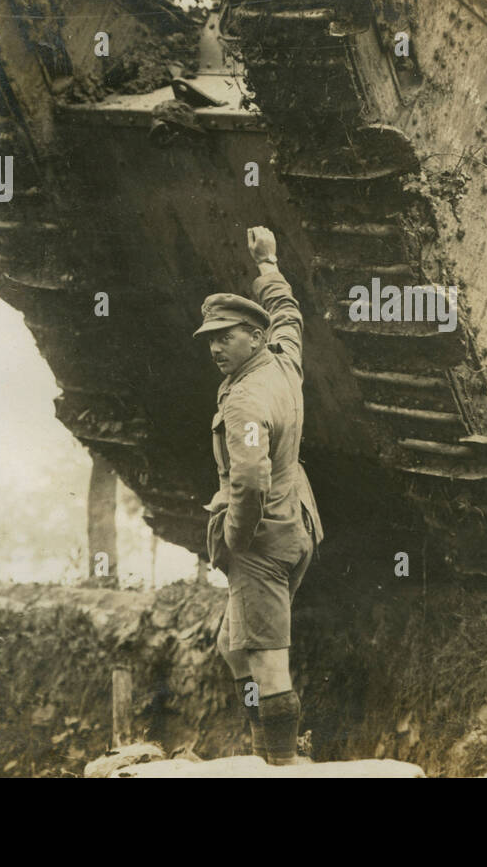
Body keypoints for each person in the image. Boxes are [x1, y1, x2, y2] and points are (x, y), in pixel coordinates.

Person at [196, 225, 322, 765]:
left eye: (225, 337)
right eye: (210, 339)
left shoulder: (246, 398)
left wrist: (235, 540)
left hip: (262, 541)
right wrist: (268, 264)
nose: (215, 347)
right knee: (232, 647)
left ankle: (280, 763)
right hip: (296, 522)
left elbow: (248, 479)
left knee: (268, 664)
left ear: (252, 335)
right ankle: (263, 748)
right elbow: (288, 314)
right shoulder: (282, 359)